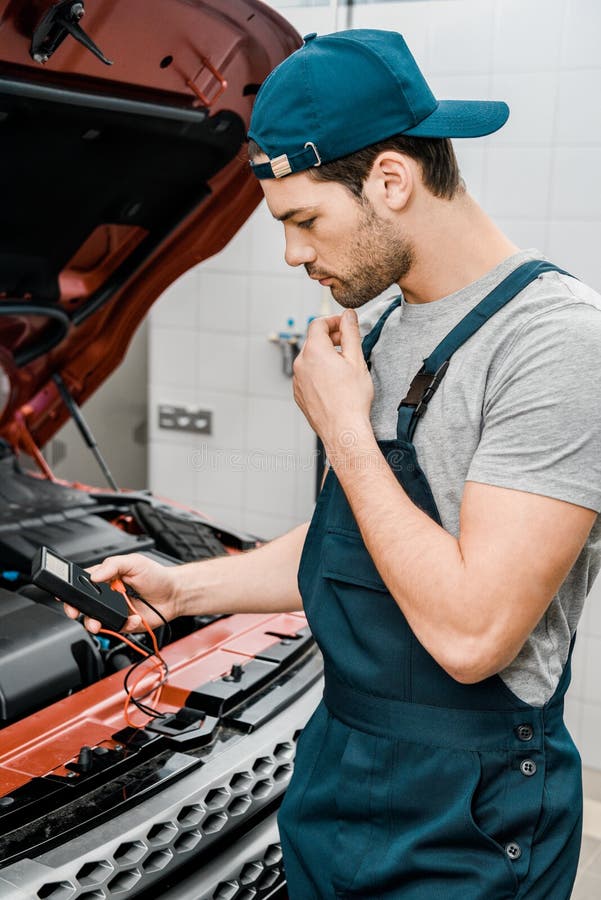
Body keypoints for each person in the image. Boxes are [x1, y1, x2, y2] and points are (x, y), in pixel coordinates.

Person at [65, 29, 601, 900]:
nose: (293, 254)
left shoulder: (556, 345)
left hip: (467, 815)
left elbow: (472, 635)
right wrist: (182, 589)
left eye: (303, 220)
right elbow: (349, 544)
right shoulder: (383, 331)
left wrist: (344, 430)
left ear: (390, 180)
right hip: (337, 776)